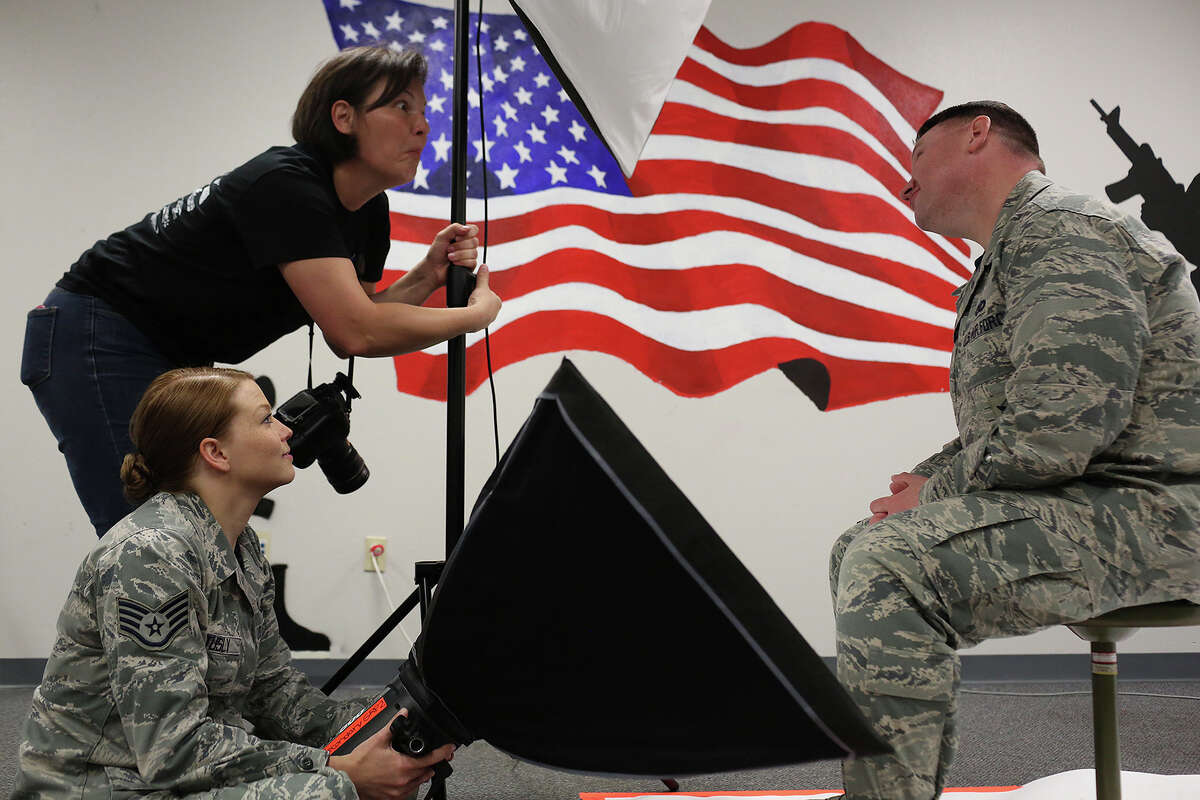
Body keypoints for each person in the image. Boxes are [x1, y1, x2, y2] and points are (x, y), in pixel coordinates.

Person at [828, 101, 1200, 799]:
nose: (906, 182)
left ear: (977, 134)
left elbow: (1064, 422)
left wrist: (936, 495)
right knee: (864, 542)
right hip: (1100, 498)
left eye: (915, 158)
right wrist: (927, 478)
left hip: (1163, 512)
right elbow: (1012, 420)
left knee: (889, 562)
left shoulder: (1063, 231)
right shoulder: (1016, 249)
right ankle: (889, 790)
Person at [19, 45, 502, 538]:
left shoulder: (368, 211)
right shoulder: (287, 184)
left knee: (201, 528)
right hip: (98, 330)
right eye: (402, 106)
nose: (422, 126)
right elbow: (356, 333)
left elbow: (358, 317)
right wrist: (473, 316)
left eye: (424, 112)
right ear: (343, 116)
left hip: (173, 354)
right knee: (150, 535)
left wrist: (426, 276)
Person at [12, 366, 453, 799]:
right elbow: (175, 750)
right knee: (331, 793)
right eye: (265, 418)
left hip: (172, 777)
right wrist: (339, 774)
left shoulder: (241, 548)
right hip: (104, 787)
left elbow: (272, 692)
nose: (285, 430)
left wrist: (379, 728)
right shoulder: (152, 554)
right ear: (216, 453)